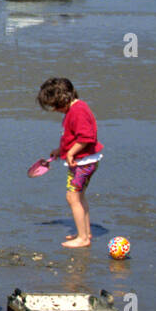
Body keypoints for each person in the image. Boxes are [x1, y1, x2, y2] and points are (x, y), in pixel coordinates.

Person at [37, 77, 102, 248]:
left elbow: (86, 137)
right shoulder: (74, 110)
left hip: (83, 163)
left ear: (64, 99)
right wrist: (61, 151)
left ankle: (83, 238)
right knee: (79, 197)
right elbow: (72, 137)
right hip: (85, 160)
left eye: (56, 106)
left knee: (72, 197)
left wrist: (71, 153)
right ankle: (85, 233)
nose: (55, 110)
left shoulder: (78, 111)